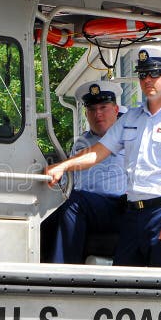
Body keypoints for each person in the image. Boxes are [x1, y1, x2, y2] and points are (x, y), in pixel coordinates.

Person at [45, 46, 161, 268]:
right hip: (133, 215)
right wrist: (63, 166)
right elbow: (98, 152)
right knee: (121, 287)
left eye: (154, 73)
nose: (147, 80)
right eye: (142, 74)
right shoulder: (131, 118)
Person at [41, 80, 127, 263]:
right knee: (46, 214)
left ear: (116, 109)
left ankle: (63, 275)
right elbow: (69, 183)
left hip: (119, 207)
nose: (98, 114)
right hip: (87, 206)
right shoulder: (81, 143)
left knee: (75, 203)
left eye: (104, 107)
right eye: (92, 109)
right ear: (86, 114)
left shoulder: (127, 137)